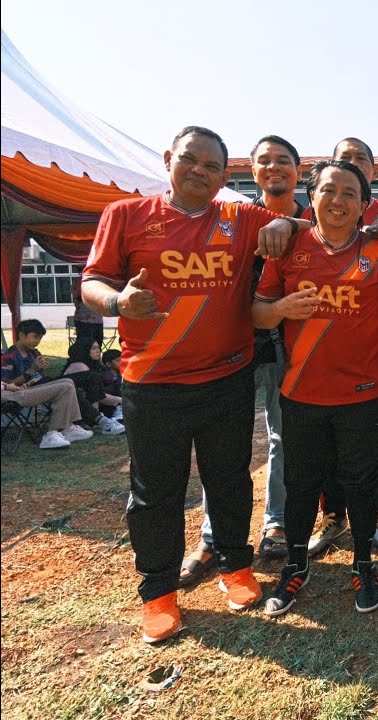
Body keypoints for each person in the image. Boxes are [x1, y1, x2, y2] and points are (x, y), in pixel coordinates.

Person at [79, 126, 300, 643]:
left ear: (225, 176)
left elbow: (307, 230)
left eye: (211, 166)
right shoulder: (126, 214)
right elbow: (91, 281)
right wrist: (117, 302)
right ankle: (158, 593)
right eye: (190, 160)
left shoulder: (240, 218)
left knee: (230, 480)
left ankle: (236, 568)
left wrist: (284, 222)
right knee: (156, 493)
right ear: (168, 160)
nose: (199, 170)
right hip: (152, 383)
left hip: (227, 378)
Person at [253, 159, 378, 617]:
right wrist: (281, 308)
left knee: (363, 483)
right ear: (312, 197)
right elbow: (258, 314)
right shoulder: (288, 247)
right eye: (329, 190)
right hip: (300, 394)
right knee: (302, 484)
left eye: (350, 193)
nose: (338, 200)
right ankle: (296, 565)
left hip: (363, 395)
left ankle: (363, 563)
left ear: (364, 205)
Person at [179, 134, 305, 584]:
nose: (274, 167)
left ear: (298, 171)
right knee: (224, 448)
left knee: (283, 439)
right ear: (250, 171)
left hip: (288, 347)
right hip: (233, 345)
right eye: (264, 161)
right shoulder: (232, 217)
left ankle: (277, 523)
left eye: (284, 160)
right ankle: (212, 538)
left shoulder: (312, 216)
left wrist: (288, 223)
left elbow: (334, 234)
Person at [306, 137, 378, 555]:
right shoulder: (319, 205)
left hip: (375, 346)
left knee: (370, 438)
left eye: (360, 159)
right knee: (324, 440)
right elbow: (304, 232)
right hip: (318, 346)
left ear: (373, 171)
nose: (352, 164)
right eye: (344, 158)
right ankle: (333, 513)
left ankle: (376, 508)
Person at [1, 319, 94, 449]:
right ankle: (52, 433)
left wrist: (42, 369)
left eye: (40, 338)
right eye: (35, 337)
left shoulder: (33, 353)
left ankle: (68, 427)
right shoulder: (9, 356)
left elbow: (41, 377)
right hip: (15, 394)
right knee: (65, 386)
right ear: (22, 335)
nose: (37, 341)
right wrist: (31, 370)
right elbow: (7, 384)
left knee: (69, 382)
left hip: (31, 388)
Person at [62, 336, 127, 435]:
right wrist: (121, 400)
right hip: (77, 408)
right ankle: (100, 420)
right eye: (94, 348)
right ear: (84, 350)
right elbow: (96, 395)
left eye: (98, 348)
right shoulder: (80, 366)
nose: (98, 351)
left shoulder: (92, 366)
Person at [72, 279, 105, 346]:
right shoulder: (80, 282)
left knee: (97, 343)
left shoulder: (99, 281)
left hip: (96, 320)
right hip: (84, 320)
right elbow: (77, 296)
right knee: (85, 344)